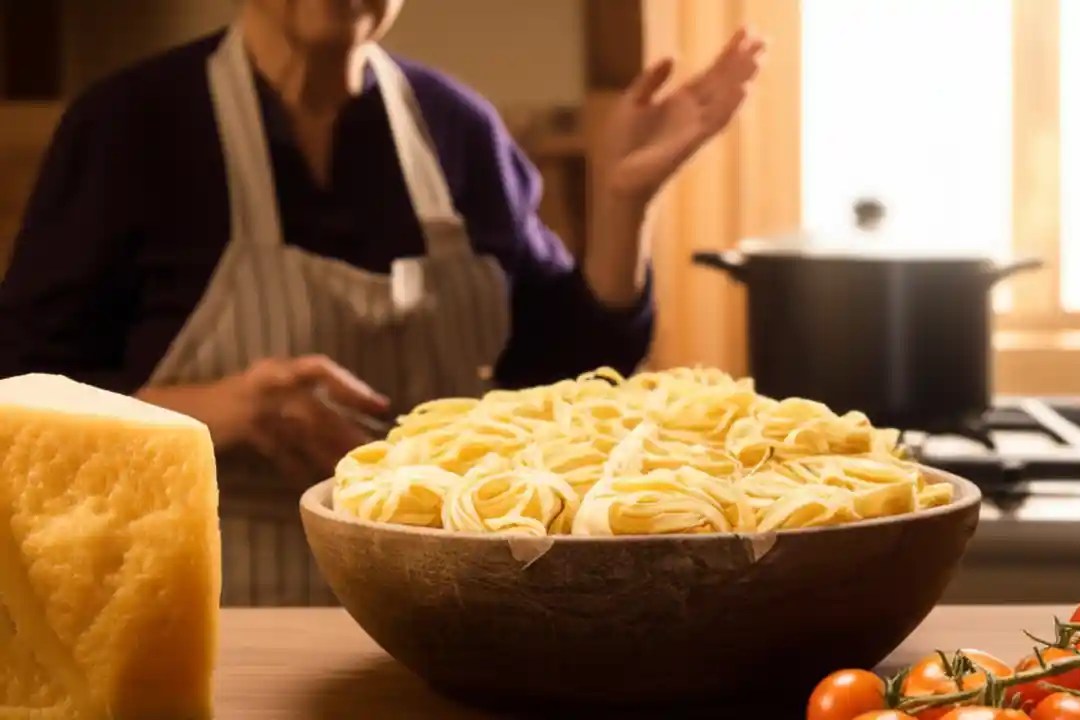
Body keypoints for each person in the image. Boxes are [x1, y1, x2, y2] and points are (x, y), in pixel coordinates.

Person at [0, 0, 764, 606]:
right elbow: (22, 402)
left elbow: (563, 372)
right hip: (204, 606)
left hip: (451, 607)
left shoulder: (455, 126)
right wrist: (212, 409)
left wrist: (623, 201)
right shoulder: (131, 125)